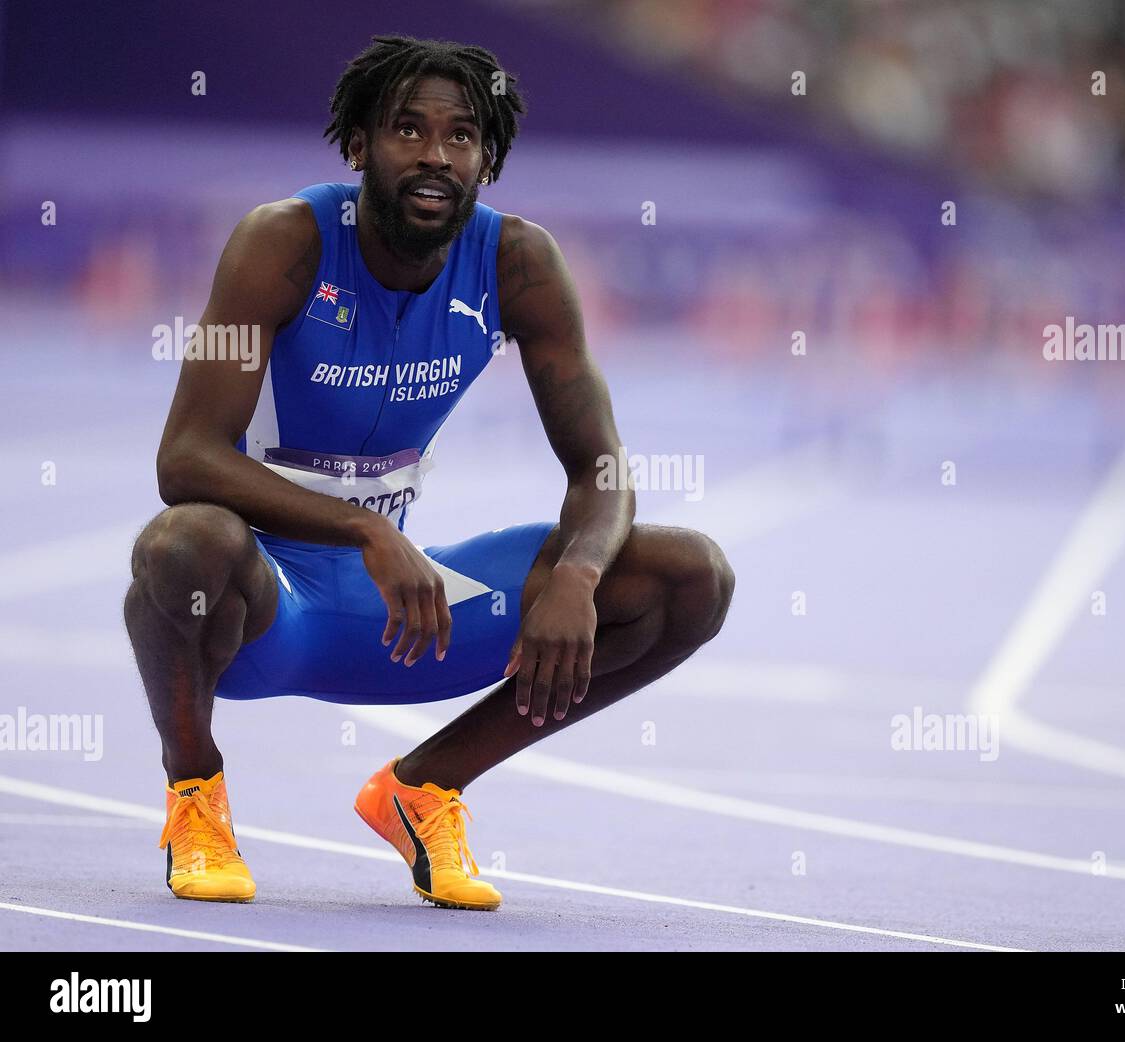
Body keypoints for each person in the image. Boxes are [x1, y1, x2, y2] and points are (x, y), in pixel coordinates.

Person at [124, 35, 735, 910]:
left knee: (689, 575)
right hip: (261, 605)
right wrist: (366, 528)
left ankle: (425, 787)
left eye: (460, 136)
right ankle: (195, 796)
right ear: (360, 145)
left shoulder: (518, 263)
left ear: (488, 158)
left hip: (407, 618)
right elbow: (184, 458)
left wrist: (579, 572)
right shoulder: (285, 242)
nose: (435, 155)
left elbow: (601, 466)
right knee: (182, 545)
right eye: (408, 130)